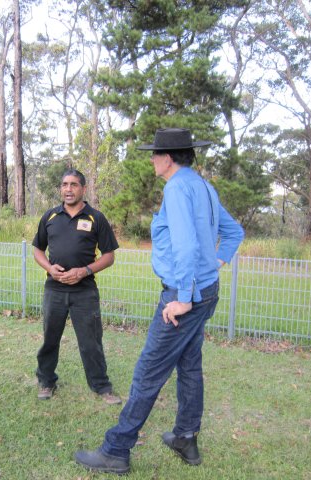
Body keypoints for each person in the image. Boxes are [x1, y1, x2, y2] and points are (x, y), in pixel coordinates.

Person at [75, 128, 245, 474]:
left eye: (154, 154)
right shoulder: (203, 186)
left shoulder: (178, 187)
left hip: (186, 297)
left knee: (148, 372)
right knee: (190, 366)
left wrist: (183, 298)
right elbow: (233, 232)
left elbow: (184, 245)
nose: (152, 159)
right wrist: (216, 262)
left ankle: (116, 450)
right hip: (206, 290)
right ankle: (185, 437)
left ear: (168, 158)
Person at [32, 169, 121, 405]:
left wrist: (84, 271)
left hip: (85, 292)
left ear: (83, 188)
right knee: (50, 338)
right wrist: (50, 268)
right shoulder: (50, 216)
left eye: (73, 185)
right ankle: (46, 381)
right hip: (54, 289)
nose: (68, 189)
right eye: (64, 184)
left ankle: (101, 386)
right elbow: (37, 250)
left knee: (91, 341)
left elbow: (109, 256)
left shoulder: (96, 218)